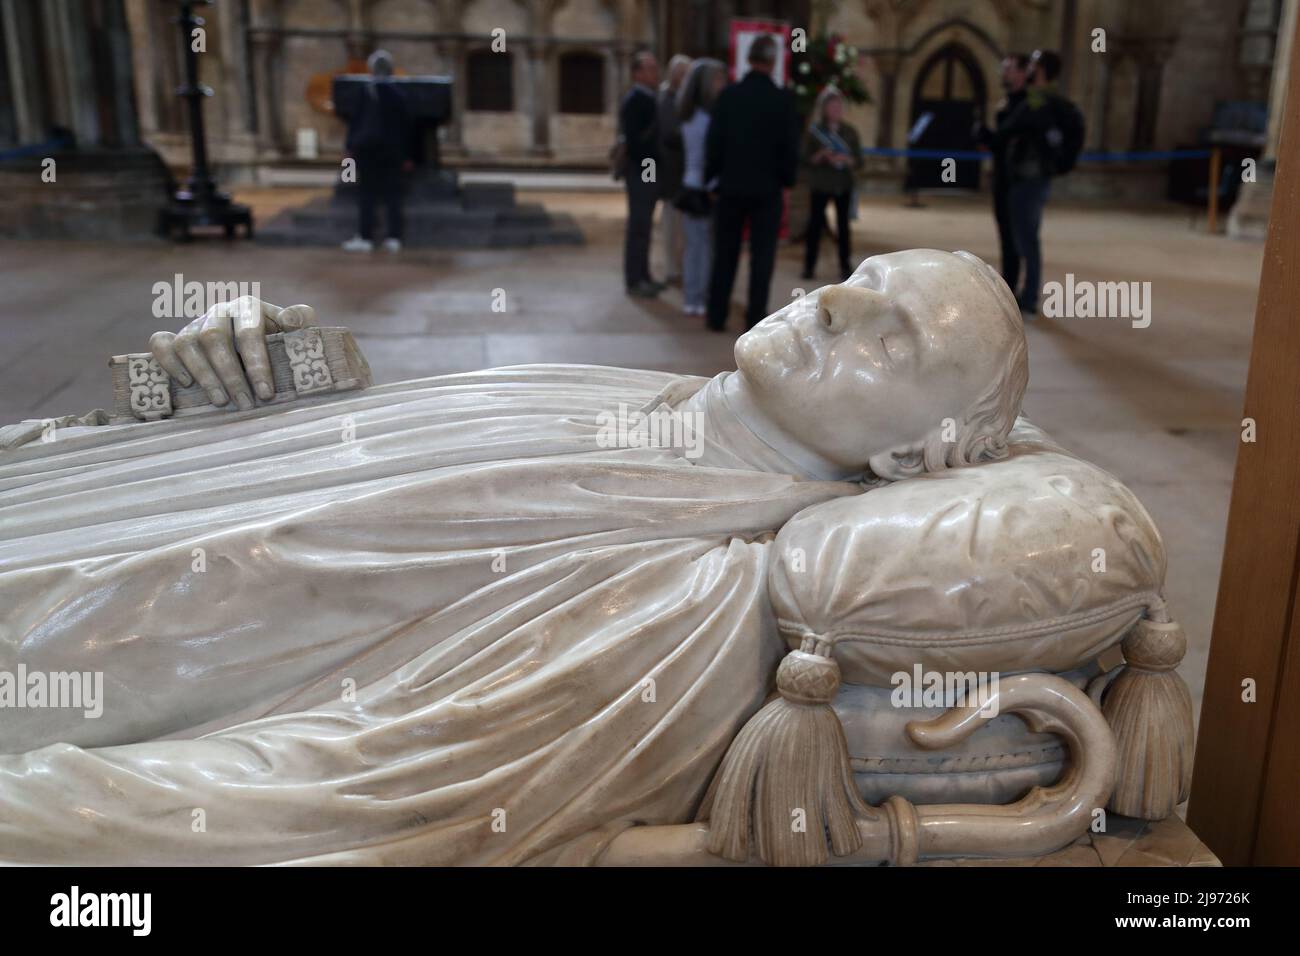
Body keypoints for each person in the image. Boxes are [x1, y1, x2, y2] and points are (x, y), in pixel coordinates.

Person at [0, 250, 1028, 865]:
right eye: (854, 281)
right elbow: (366, 444)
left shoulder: (691, 594)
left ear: (907, 453)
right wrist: (246, 373)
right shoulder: (616, 392)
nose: (832, 303)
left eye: (890, 342)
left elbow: (348, 787)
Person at [705, 34, 800, 331]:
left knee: (725, 253)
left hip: (731, 186)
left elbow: (714, 141)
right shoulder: (782, 99)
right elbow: (789, 147)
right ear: (773, 62)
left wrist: (713, 177)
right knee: (762, 256)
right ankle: (755, 318)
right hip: (767, 189)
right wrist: (786, 180)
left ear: (749, 60)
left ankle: (716, 316)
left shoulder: (730, 96)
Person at [998, 49, 1075, 316]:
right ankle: (1026, 292)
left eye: (1031, 64)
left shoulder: (1041, 101)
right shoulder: (1040, 99)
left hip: (1031, 177)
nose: (1028, 68)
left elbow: (1011, 128)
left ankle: (1029, 296)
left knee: (1027, 238)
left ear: (1039, 70)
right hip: (1029, 176)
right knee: (1025, 236)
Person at [342, 50, 412, 254]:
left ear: (371, 70)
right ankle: (394, 238)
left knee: (366, 195)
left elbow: (355, 123)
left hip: (368, 150)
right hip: (392, 152)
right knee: (393, 196)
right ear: (391, 70)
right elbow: (406, 128)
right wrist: (407, 156)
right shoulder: (399, 95)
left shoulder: (365, 92)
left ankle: (365, 237)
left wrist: (349, 149)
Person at [675, 58, 726, 316]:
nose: (723, 84)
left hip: (688, 184)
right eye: (718, 79)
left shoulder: (687, 114)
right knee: (704, 247)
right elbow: (709, 157)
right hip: (705, 187)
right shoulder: (706, 118)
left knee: (693, 246)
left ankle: (690, 297)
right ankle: (700, 298)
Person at [975, 53, 1030, 295]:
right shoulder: (1008, 102)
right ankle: (1009, 283)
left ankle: (1019, 289)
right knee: (1006, 232)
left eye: (1008, 69)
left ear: (1022, 72)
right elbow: (1003, 141)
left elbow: (1010, 137)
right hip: (1003, 175)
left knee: (1018, 235)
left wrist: (988, 135)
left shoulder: (1028, 103)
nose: (1003, 73)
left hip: (1019, 179)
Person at [801, 86, 863, 282]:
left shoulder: (850, 132)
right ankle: (808, 266)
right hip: (821, 183)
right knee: (814, 226)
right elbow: (804, 158)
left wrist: (847, 160)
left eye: (839, 106)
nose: (836, 110)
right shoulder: (815, 132)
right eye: (832, 106)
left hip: (843, 184)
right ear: (824, 108)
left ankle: (845, 266)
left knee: (844, 227)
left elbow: (860, 161)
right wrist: (820, 156)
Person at [620, 51, 663, 298]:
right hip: (642, 171)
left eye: (655, 68)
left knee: (645, 226)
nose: (655, 73)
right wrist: (649, 175)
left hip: (648, 170)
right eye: (649, 68)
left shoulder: (647, 97)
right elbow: (637, 145)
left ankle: (644, 275)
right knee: (638, 225)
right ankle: (635, 280)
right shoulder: (635, 99)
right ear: (637, 73)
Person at [657, 54, 692, 286]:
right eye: (680, 74)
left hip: (686, 174)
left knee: (685, 228)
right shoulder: (665, 98)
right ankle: (671, 269)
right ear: (672, 74)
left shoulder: (687, 99)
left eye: (687, 74)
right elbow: (669, 133)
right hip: (670, 172)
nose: (683, 78)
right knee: (670, 225)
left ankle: (683, 267)